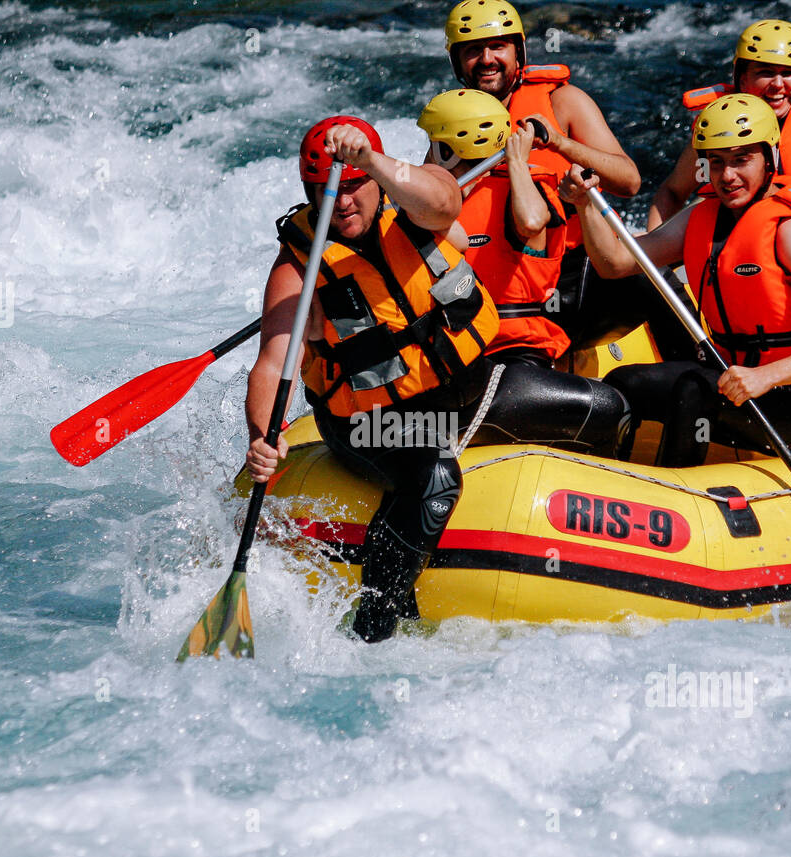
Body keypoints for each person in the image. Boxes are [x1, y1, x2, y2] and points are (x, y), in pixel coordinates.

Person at [246, 116, 629, 642]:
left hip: (461, 390)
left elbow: (446, 201)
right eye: (327, 192)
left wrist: (369, 162)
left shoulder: (419, 212)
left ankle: (609, 566)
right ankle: (374, 628)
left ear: (376, 177)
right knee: (435, 479)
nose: (344, 203)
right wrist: (260, 437)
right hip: (370, 423)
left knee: (604, 409)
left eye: (355, 186)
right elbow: (273, 364)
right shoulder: (298, 270)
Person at [559, 95, 791, 467]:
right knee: (624, 383)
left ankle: (676, 496)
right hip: (739, 379)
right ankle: (607, 479)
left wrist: (765, 376)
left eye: (741, 160)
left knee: (692, 391)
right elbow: (615, 263)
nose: (728, 176)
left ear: (771, 159)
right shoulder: (700, 218)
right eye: (716, 163)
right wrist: (584, 205)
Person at [443, 0, 641, 342]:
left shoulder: (563, 102)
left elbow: (629, 182)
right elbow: (427, 209)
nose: (487, 59)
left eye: (497, 47)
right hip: (498, 284)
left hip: (573, 273)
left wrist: (560, 144)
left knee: (649, 280)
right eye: (473, 50)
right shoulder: (447, 122)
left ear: (518, 53)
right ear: (458, 62)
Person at [417, 88, 570, 367]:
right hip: (456, 344)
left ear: (447, 151)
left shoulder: (521, 190)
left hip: (515, 349)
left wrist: (517, 162)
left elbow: (532, 222)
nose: (426, 154)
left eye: (431, 143)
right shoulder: (432, 202)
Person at [648, 19, 791, 229]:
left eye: (788, 73)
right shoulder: (719, 121)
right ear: (743, 80)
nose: (778, 85)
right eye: (766, 73)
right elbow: (673, 191)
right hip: (750, 233)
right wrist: (654, 242)